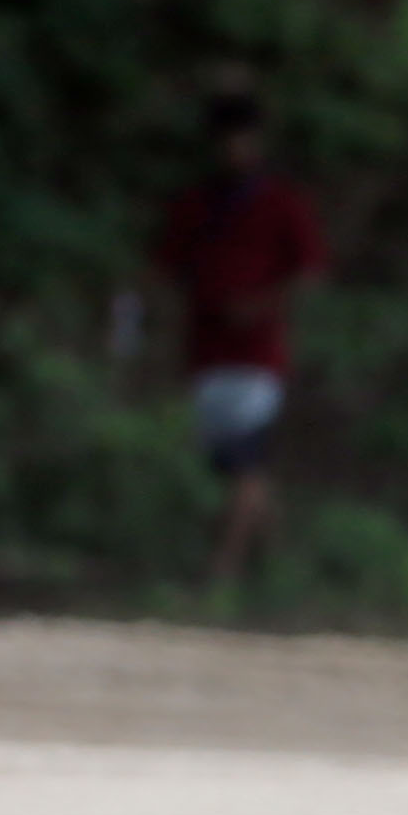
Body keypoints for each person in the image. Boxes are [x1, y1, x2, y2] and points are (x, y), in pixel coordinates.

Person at [148, 91, 332, 588]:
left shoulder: (281, 203)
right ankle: (281, 570)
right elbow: (166, 273)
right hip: (206, 351)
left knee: (246, 462)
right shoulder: (196, 204)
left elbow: (309, 272)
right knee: (233, 465)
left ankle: (221, 571)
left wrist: (263, 304)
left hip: (259, 353)